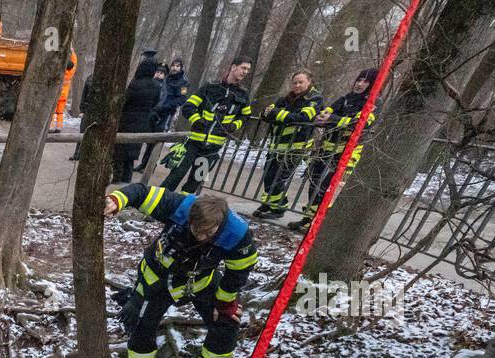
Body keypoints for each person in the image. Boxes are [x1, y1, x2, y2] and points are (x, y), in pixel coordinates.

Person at [104, 183, 258, 358]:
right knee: (142, 323)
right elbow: (141, 192)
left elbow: (239, 271)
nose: (202, 237)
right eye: (197, 230)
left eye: (209, 233)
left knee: (227, 321)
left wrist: (224, 303)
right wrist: (117, 200)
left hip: (201, 280)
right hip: (157, 276)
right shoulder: (179, 206)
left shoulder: (238, 235)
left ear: (220, 224)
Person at [291, 68, 379, 230]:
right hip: (325, 150)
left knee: (325, 188)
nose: (360, 84)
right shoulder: (345, 98)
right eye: (359, 80)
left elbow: (359, 125)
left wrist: (333, 120)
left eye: (366, 82)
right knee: (314, 183)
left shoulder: (371, 104)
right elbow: (322, 116)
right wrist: (332, 119)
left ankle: (318, 223)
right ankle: (309, 219)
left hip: (345, 154)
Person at [161, 55, 253, 194]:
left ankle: (182, 209)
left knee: (195, 181)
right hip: (193, 143)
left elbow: (245, 116)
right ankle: (157, 204)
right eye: (243, 68)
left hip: (213, 149)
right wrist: (196, 120)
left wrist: (235, 125)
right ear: (233, 67)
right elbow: (188, 106)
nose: (245, 72)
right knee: (175, 175)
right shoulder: (210, 87)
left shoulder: (244, 95)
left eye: (248, 70)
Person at [252, 70, 323, 219]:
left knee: (278, 178)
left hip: (295, 147)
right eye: (295, 82)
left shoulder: (314, 99)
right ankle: (269, 204)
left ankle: (279, 209)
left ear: (309, 82)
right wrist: (274, 114)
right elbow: (265, 113)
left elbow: (303, 117)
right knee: (269, 176)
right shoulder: (288, 98)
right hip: (277, 145)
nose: (297, 85)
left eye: (301, 82)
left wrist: (277, 114)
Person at [113, 58, 163, 183]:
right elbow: (156, 103)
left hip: (127, 119)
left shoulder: (135, 83)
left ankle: (116, 177)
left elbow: (126, 100)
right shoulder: (156, 86)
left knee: (120, 150)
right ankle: (127, 178)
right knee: (132, 150)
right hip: (143, 121)